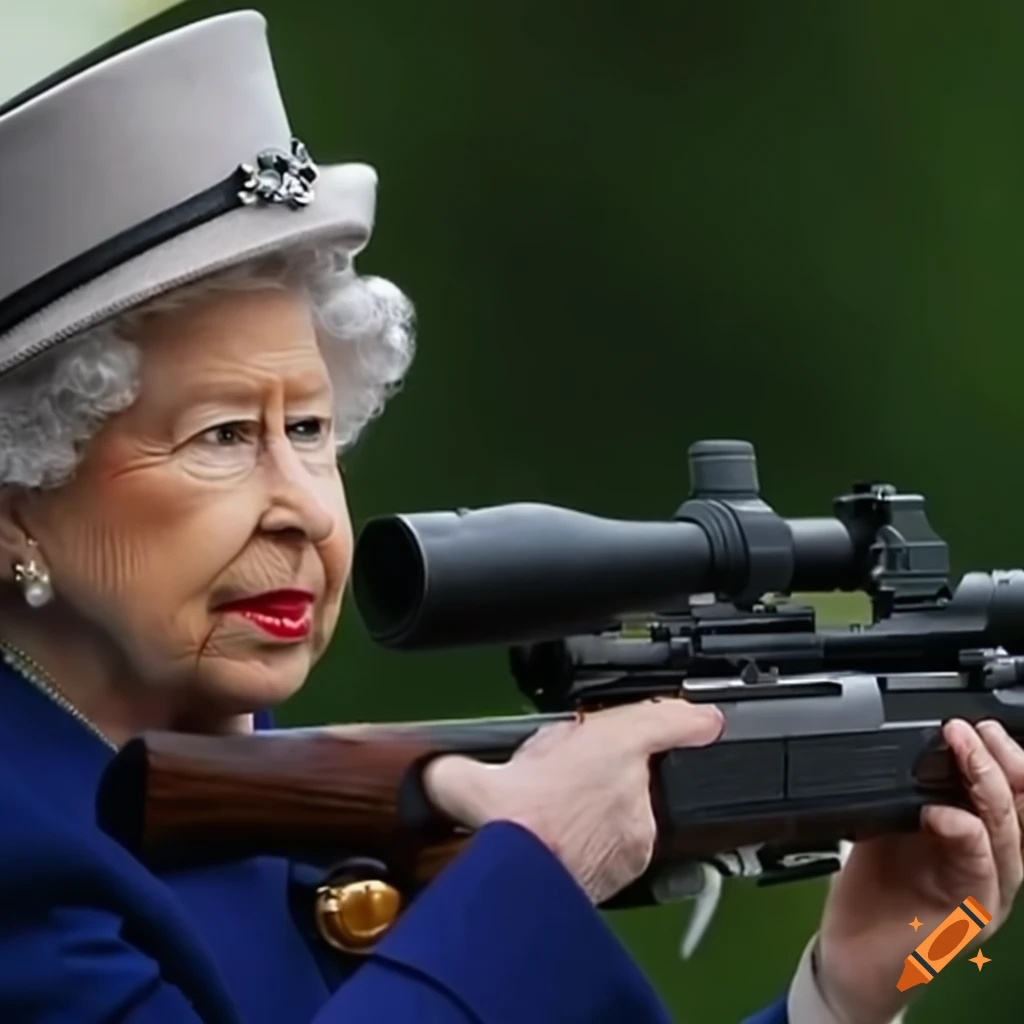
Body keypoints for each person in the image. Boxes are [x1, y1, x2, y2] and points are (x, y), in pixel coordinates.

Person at [0, 10, 1021, 1024]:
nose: (307, 509)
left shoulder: (282, 793)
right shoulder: (26, 850)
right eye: (223, 436)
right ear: (15, 507)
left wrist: (847, 991)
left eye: (310, 429)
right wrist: (530, 868)